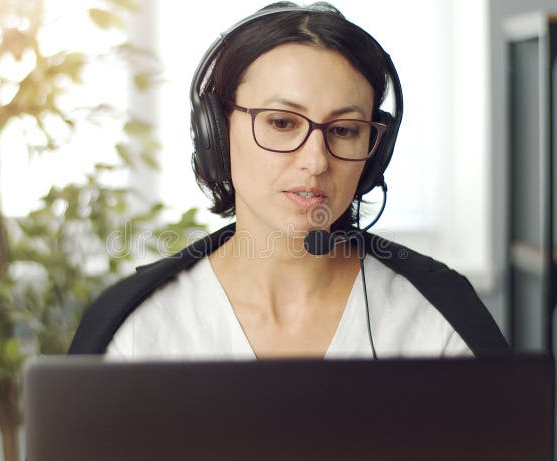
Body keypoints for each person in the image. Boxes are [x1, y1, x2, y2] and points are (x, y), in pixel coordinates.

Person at [68, 2, 508, 359]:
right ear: (216, 133)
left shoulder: (438, 321)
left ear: (375, 155)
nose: (315, 161)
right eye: (281, 122)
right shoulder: (137, 330)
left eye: (345, 130)